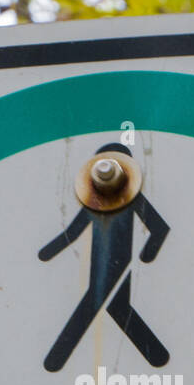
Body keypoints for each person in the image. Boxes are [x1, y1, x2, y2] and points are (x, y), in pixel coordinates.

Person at [38, 143, 170, 372]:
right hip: (98, 265)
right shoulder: (94, 200)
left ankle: (54, 361)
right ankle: (157, 355)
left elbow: (158, 227)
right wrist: (48, 252)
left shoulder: (134, 198)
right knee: (116, 306)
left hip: (120, 264)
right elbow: (74, 231)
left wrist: (146, 256)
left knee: (93, 303)